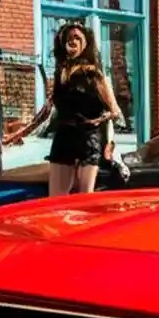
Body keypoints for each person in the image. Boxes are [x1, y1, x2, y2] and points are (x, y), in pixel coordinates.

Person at [45, 21, 121, 196]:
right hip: (64, 136)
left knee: (84, 196)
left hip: (88, 137)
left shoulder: (94, 75)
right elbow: (47, 109)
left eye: (78, 38)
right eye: (69, 38)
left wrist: (97, 121)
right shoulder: (60, 74)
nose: (73, 42)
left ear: (85, 44)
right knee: (55, 198)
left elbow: (115, 111)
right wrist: (18, 134)